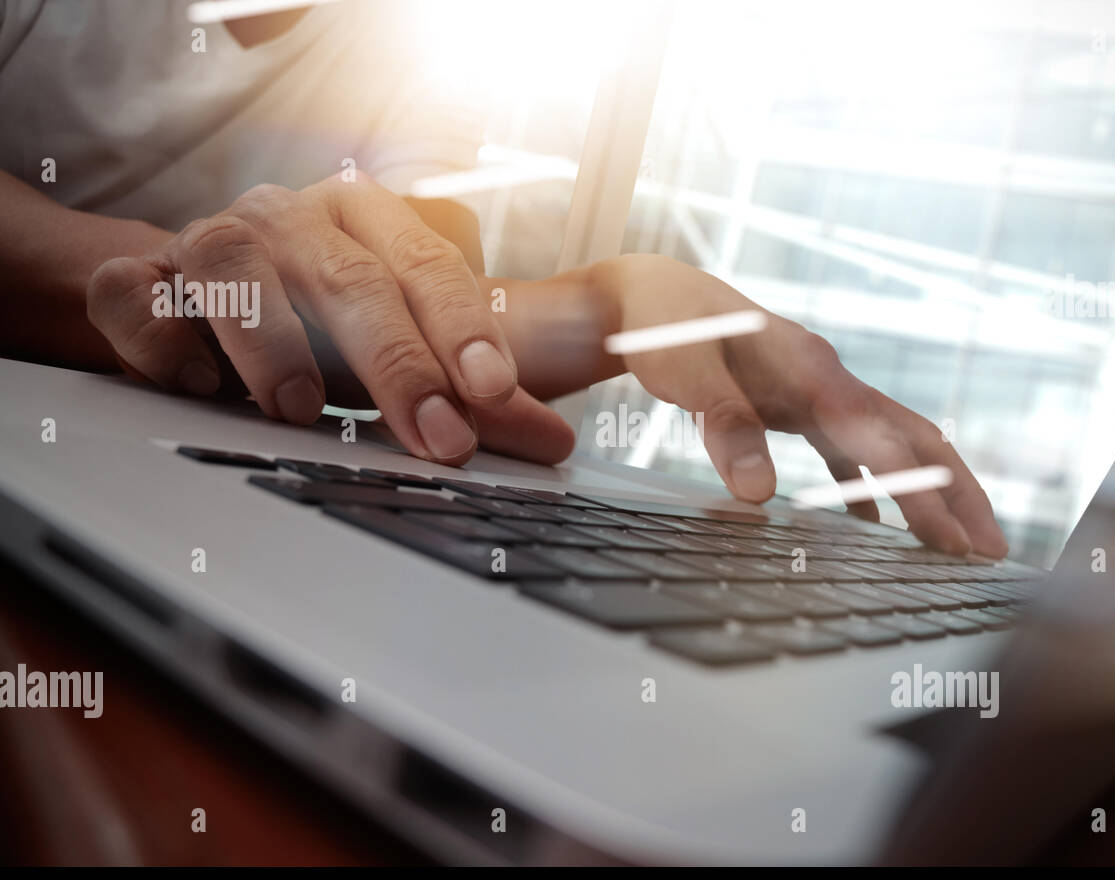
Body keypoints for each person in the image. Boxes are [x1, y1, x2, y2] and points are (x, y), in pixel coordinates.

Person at [0, 0, 1006, 557]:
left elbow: (431, 324)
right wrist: (205, 278)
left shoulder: (419, 48)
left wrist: (619, 305)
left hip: (200, 496)